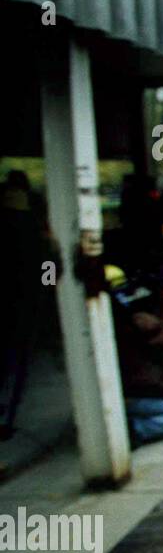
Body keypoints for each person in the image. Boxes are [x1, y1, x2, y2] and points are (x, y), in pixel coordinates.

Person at [105, 265, 163, 447]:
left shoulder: (110, 321)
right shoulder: (138, 321)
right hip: (140, 391)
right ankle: (135, 429)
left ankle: (124, 418)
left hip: (121, 389)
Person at [0, 170, 50, 440]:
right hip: (26, 298)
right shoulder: (34, 223)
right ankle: (8, 419)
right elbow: (50, 261)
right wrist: (47, 286)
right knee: (19, 359)